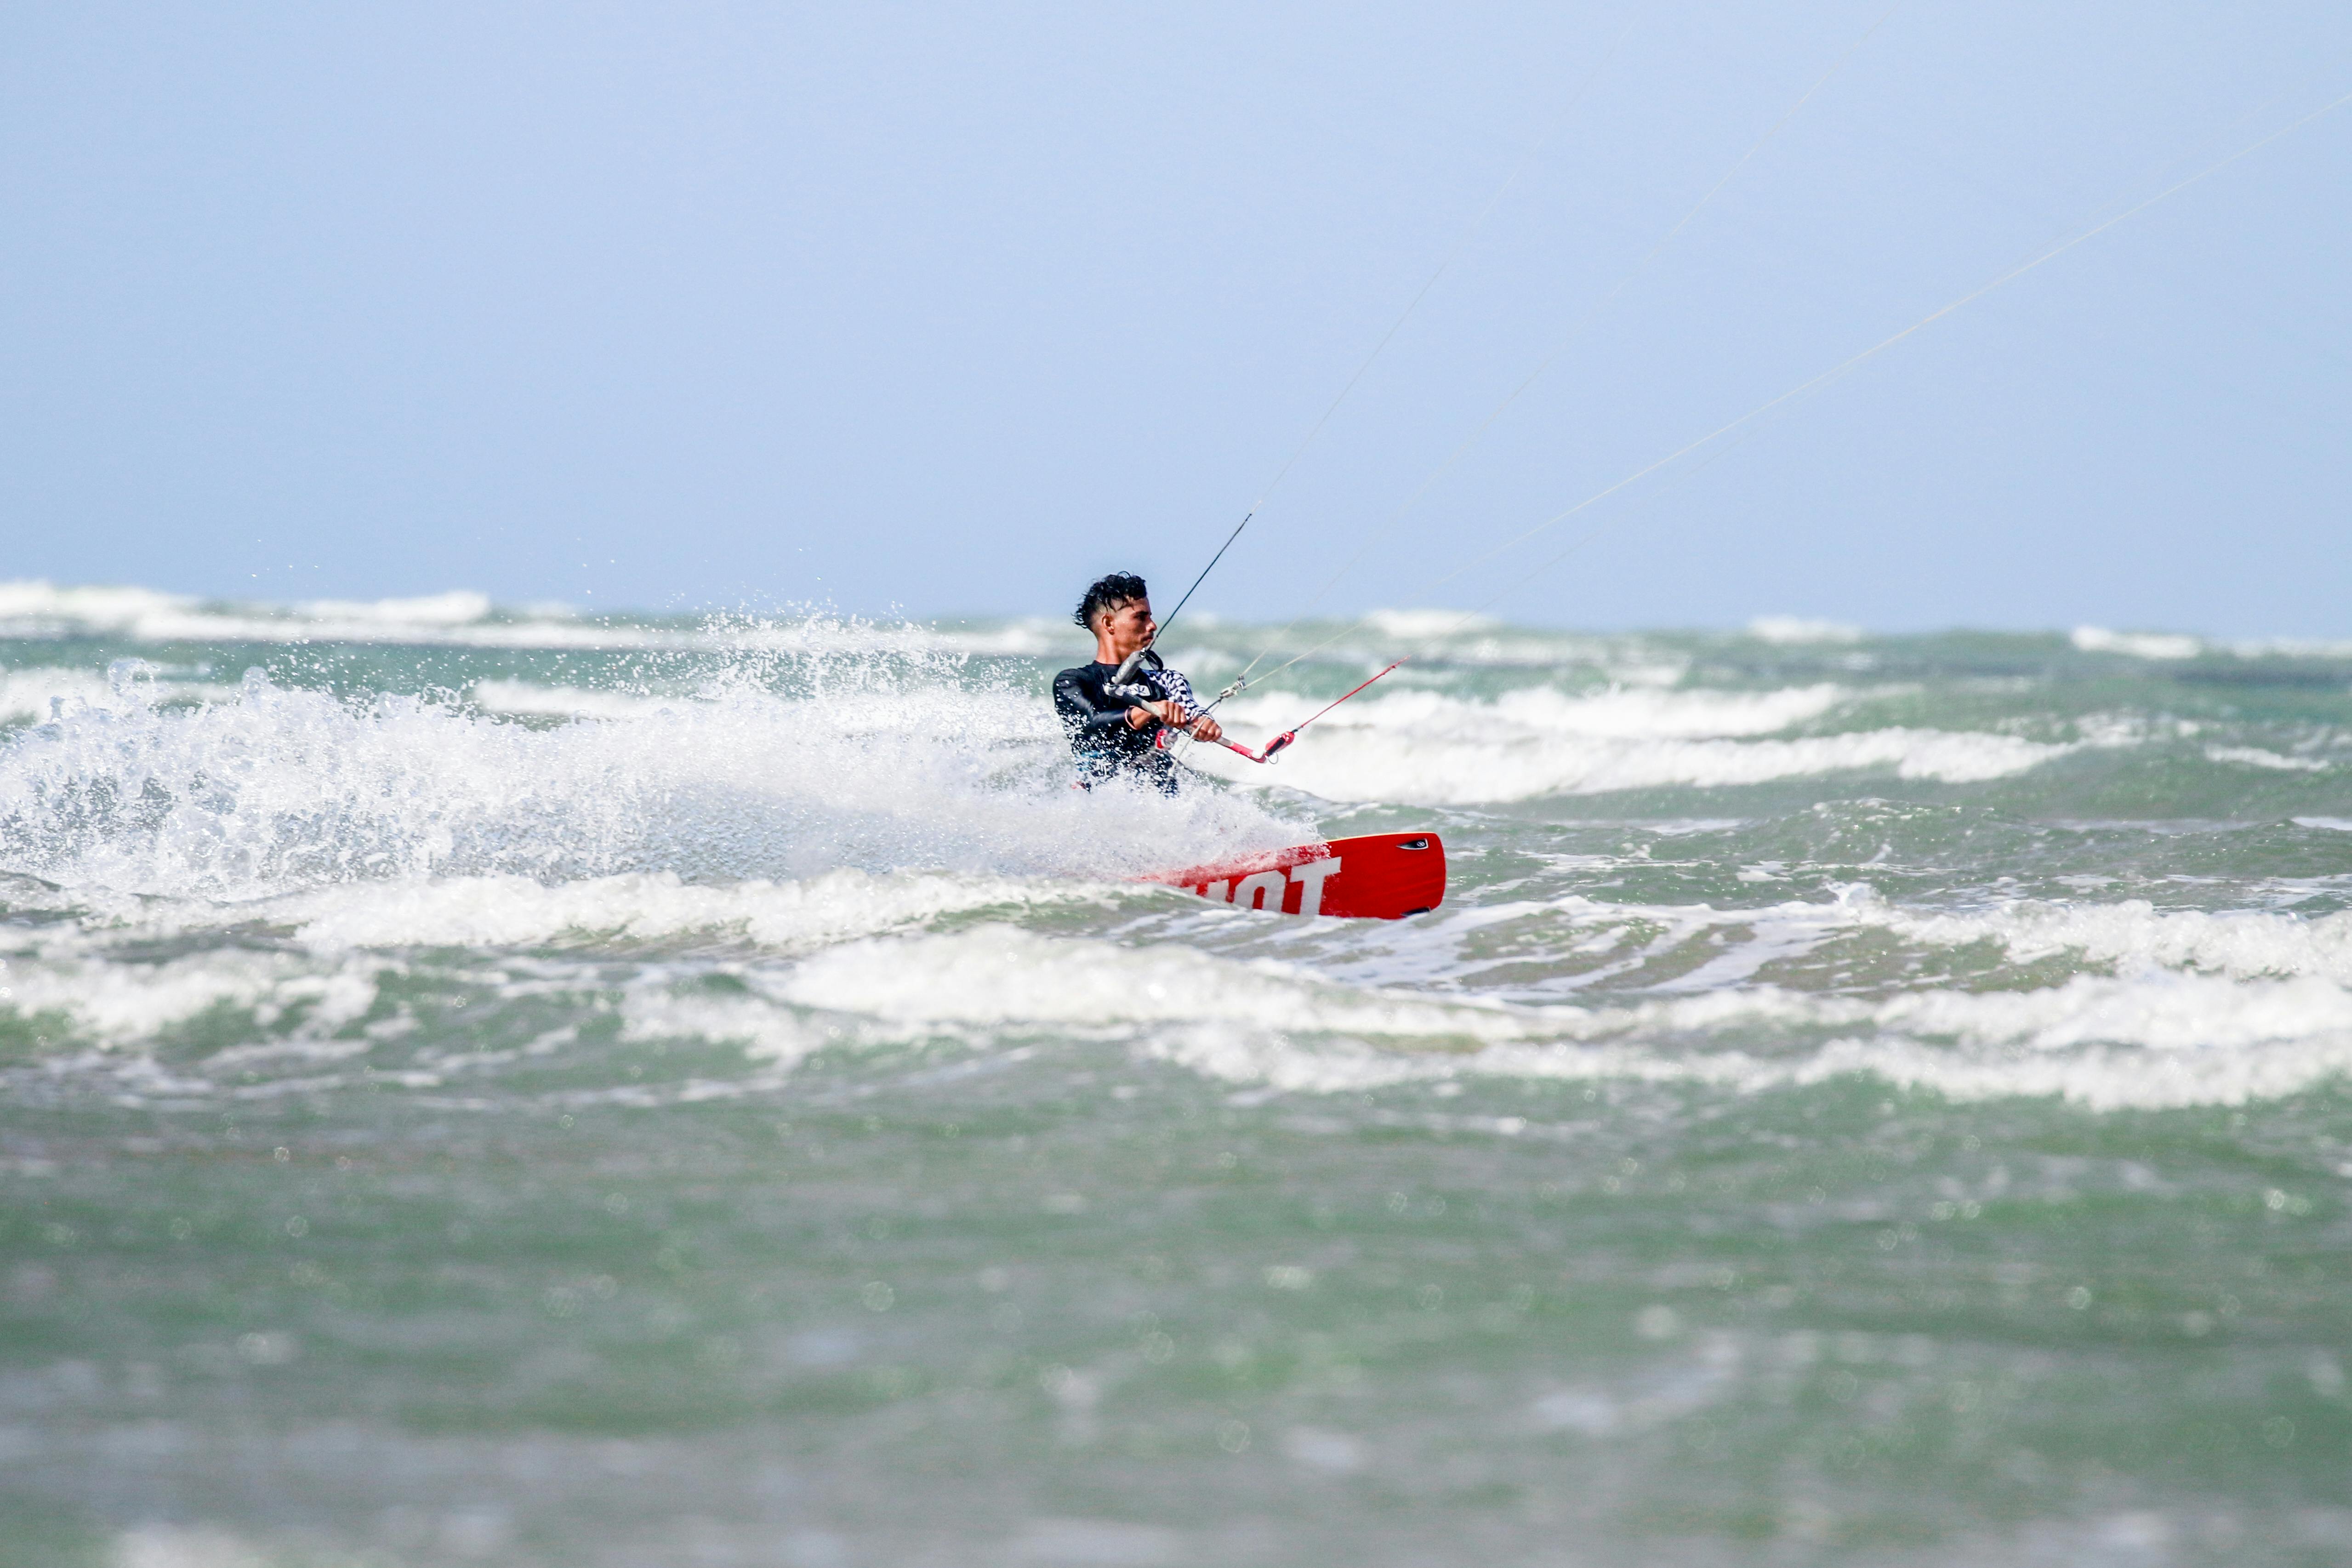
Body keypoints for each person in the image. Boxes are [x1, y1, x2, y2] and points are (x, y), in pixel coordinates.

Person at [1053, 573, 1223, 792]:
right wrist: (1149, 711)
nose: (1152, 626)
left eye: (1150, 617)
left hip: (1166, 797)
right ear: (1109, 623)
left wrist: (1204, 724)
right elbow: (1090, 723)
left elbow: (1191, 710)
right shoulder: (1073, 681)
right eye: (1141, 617)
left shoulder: (1166, 680)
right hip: (1103, 797)